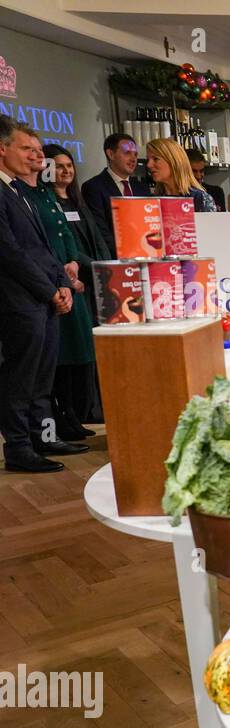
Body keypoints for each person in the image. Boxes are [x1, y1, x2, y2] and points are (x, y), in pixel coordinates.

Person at [0, 117, 77, 473]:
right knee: (20, 377)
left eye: (37, 149)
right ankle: (18, 447)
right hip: (19, 302)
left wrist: (61, 282)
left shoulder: (20, 192)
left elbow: (43, 248)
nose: (36, 156)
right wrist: (50, 290)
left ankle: (40, 437)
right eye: (27, 148)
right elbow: (10, 252)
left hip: (43, 299)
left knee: (41, 376)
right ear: (3, 149)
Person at [40, 144, 110, 440]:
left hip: (94, 284)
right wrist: (84, 268)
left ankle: (81, 413)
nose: (66, 170)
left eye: (69, 165)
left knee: (86, 354)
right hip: (72, 286)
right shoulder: (45, 203)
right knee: (68, 356)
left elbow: (93, 239)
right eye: (59, 166)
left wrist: (106, 268)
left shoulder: (78, 201)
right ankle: (65, 416)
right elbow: (65, 248)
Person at [80, 133, 142, 257]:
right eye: (127, 153)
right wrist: (126, 254)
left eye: (135, 154)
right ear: (111, 154)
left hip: (144, 256)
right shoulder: (93, 187)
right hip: (116, 260)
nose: (133, 159)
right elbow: (100, 231)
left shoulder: (141, 187)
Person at [145, 139, 216, 211]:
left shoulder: (199, 198)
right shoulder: (151, 202)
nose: (149, 165)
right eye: (148, 160)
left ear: (174, 161)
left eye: (156, 159)